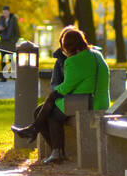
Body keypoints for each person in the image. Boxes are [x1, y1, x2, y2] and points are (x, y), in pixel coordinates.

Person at [12, 28, 110, 164]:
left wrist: (56, 90)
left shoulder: (74, 61)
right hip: (99, 101)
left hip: (87, 102)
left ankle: (51, 146)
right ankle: (42, 139)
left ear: (69, 47)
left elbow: (65, 87)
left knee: (51, 111)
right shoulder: (96, 54)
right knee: (40, 110)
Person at [0, 5, 19, 80]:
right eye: (3, 12)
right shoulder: (0, 20)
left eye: (6, 12)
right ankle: (4, 77)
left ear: (9, 12)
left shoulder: (13, 20)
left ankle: (13, 75)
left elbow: (17, 32)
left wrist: (13, 41)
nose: (5, 14)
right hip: (3, 42)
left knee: (11, 59)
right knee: (3, 60)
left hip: (10, 43)